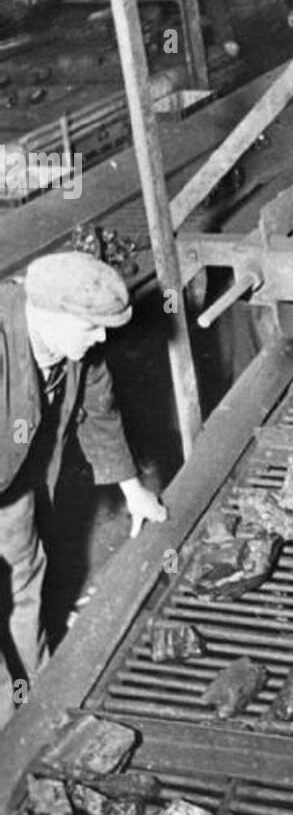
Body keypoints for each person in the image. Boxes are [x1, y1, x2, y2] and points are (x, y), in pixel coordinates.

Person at [0, 252, 167, 726]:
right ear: (47, 312)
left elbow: (99, 413)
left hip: (8, 481)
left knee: (23, 580)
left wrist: (134, 490)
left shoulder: (77, 344)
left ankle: (38, 704)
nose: (102, 338)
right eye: (91, 327)